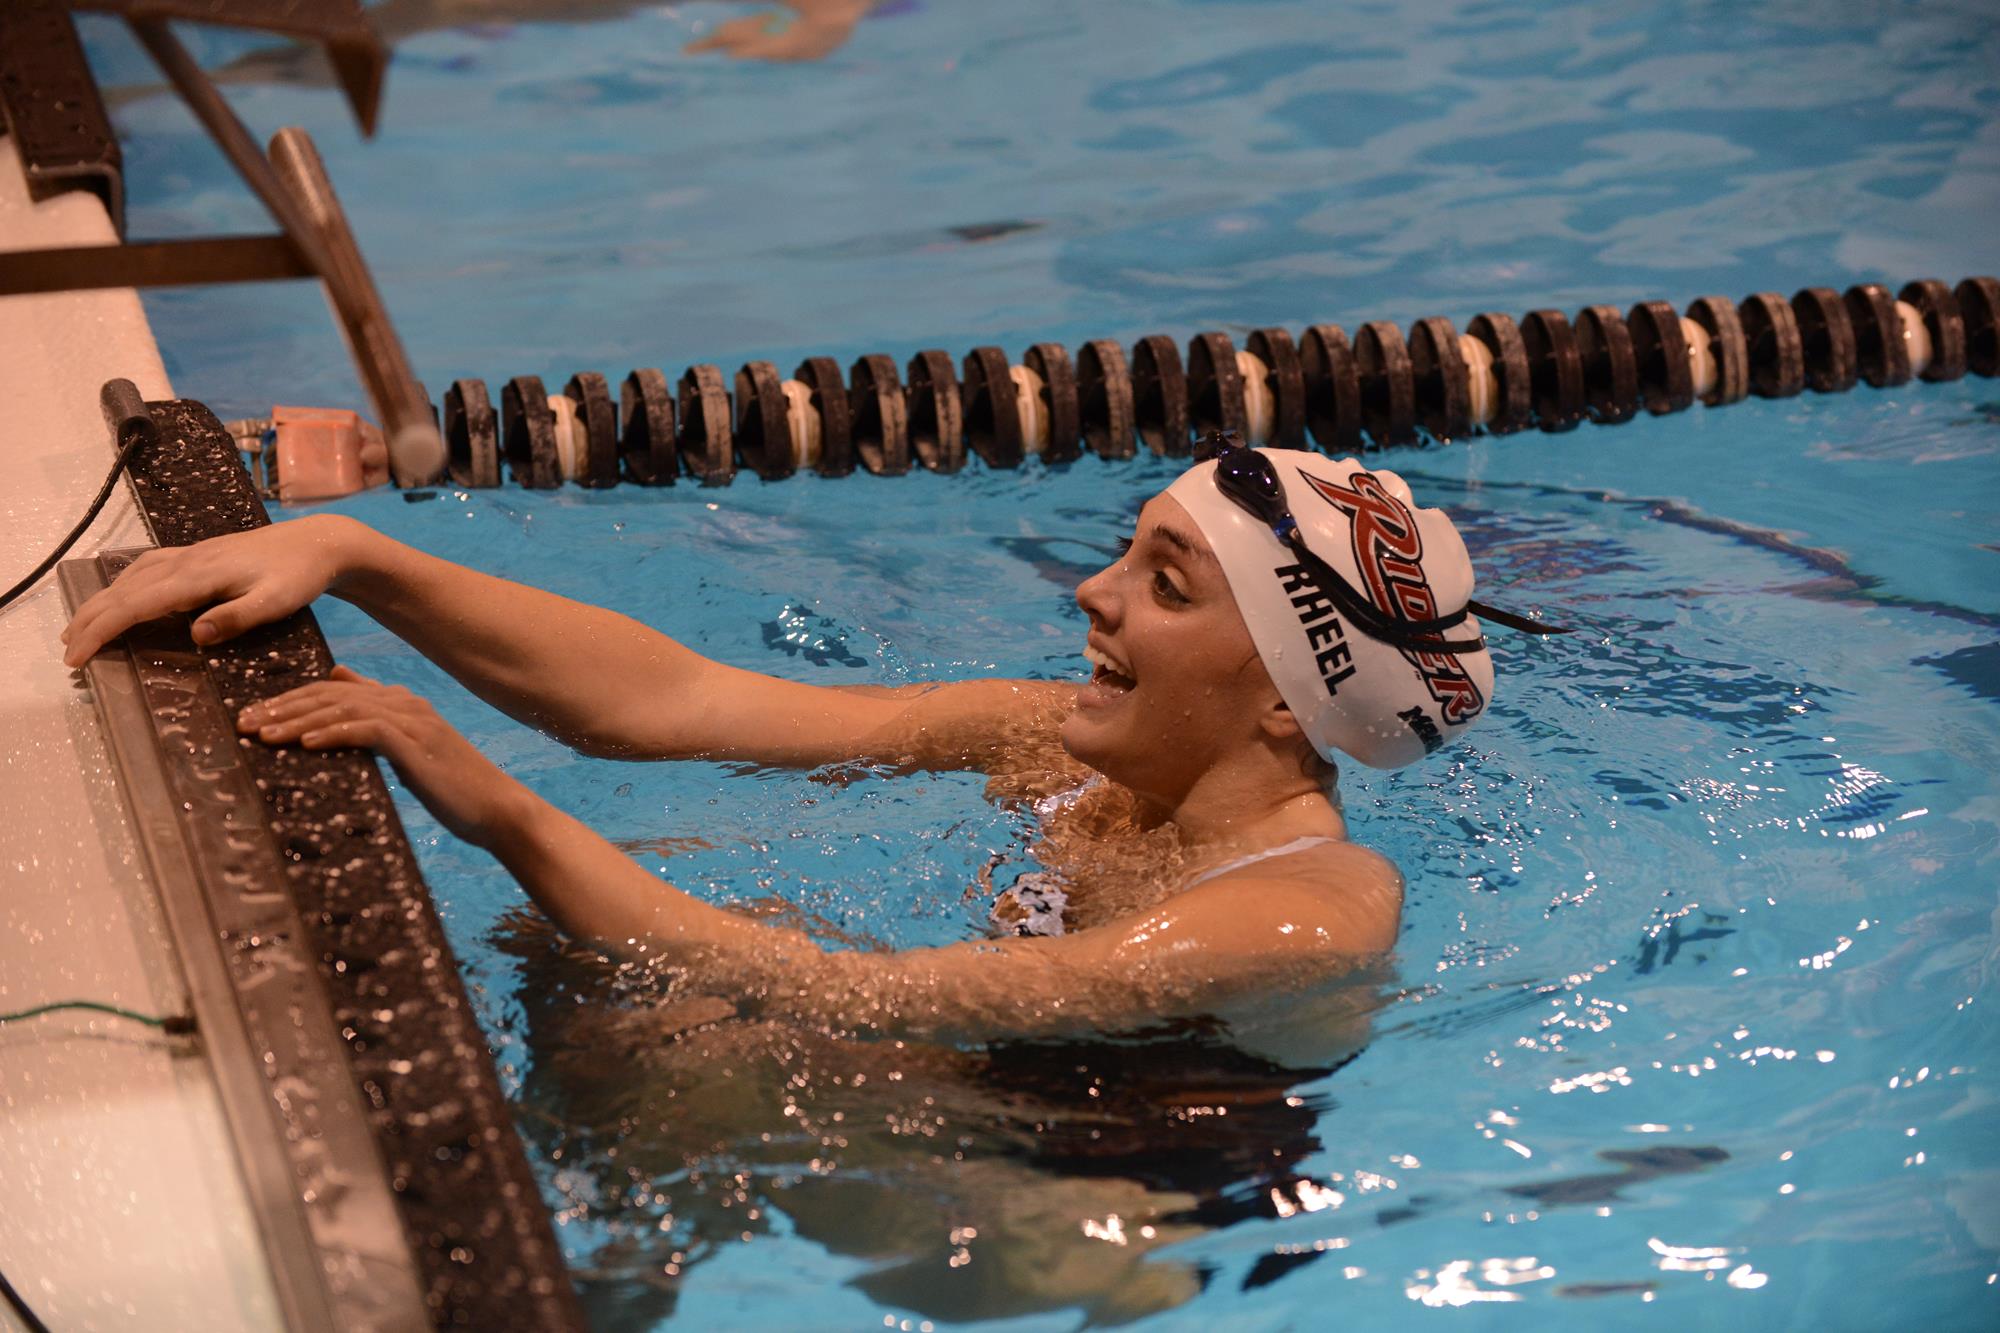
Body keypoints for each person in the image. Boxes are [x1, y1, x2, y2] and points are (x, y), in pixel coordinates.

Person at [61, 435, 1536, 1066]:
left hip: (1098, 1213)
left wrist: (503, 811)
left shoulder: (1306, 908)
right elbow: (683, 703)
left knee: (696, 1018)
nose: (1088, 592)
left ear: (1289, 697)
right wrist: (361, 554)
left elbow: (855, 995)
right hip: (965, 1104)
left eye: (1162, 580)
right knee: (640, 934)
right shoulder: (1073, 749)